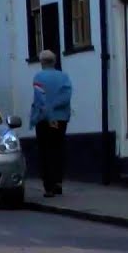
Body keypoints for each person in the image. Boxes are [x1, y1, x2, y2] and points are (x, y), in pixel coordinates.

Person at [30, 49, 72, 197]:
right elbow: (66, 97)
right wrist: (55, 107)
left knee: (45, 151)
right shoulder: (64, 77)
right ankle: (58, 182)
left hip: (43, 119)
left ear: (42, 62)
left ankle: (48, 186)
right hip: (60, 118)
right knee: (58, 149)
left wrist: (37, 115)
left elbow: (39, 99)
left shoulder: (39, 77)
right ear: (54, 62)